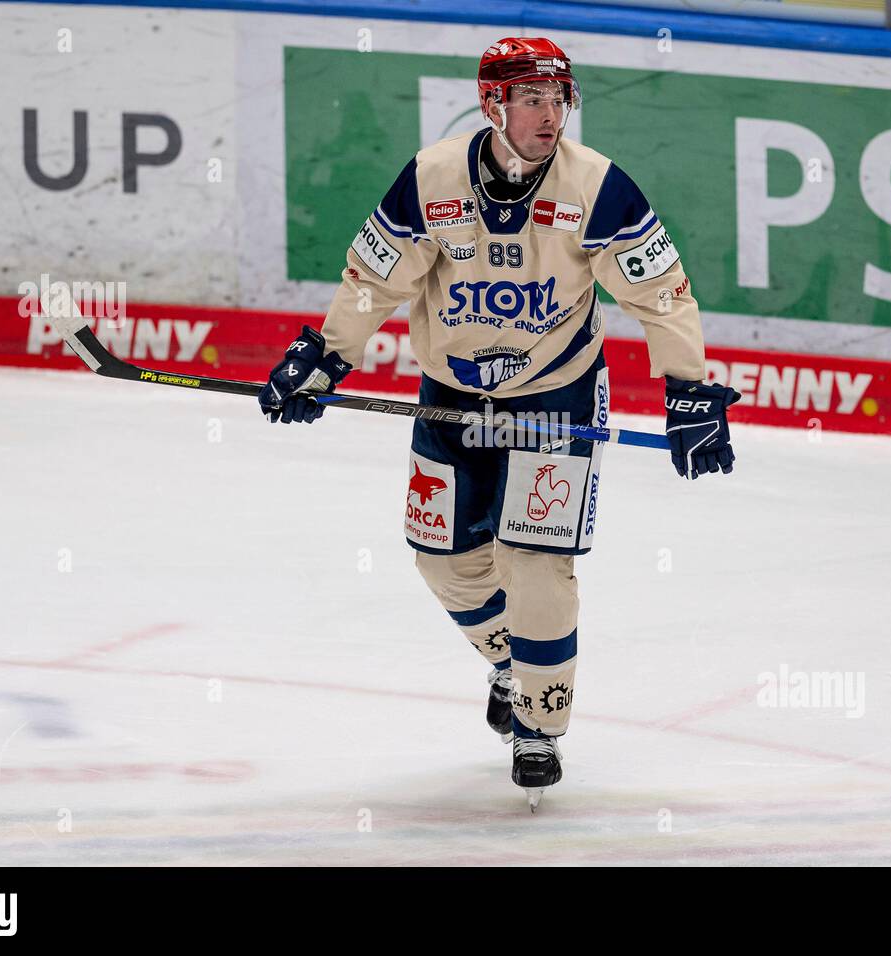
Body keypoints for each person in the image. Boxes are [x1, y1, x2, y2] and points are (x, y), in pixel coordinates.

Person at [259, 37, 739, 809]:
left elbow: (662, 295)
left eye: (559, 100)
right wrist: (326, 356)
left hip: (556, 399)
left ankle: (539, 725)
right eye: (533, 101)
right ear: (494, 105)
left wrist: (688, 387)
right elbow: (372, 279)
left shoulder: (598, 188)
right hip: (452, 396)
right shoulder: (431, 179)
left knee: (536, 563)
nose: (551, 116)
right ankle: (511, 664)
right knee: (441, 559)